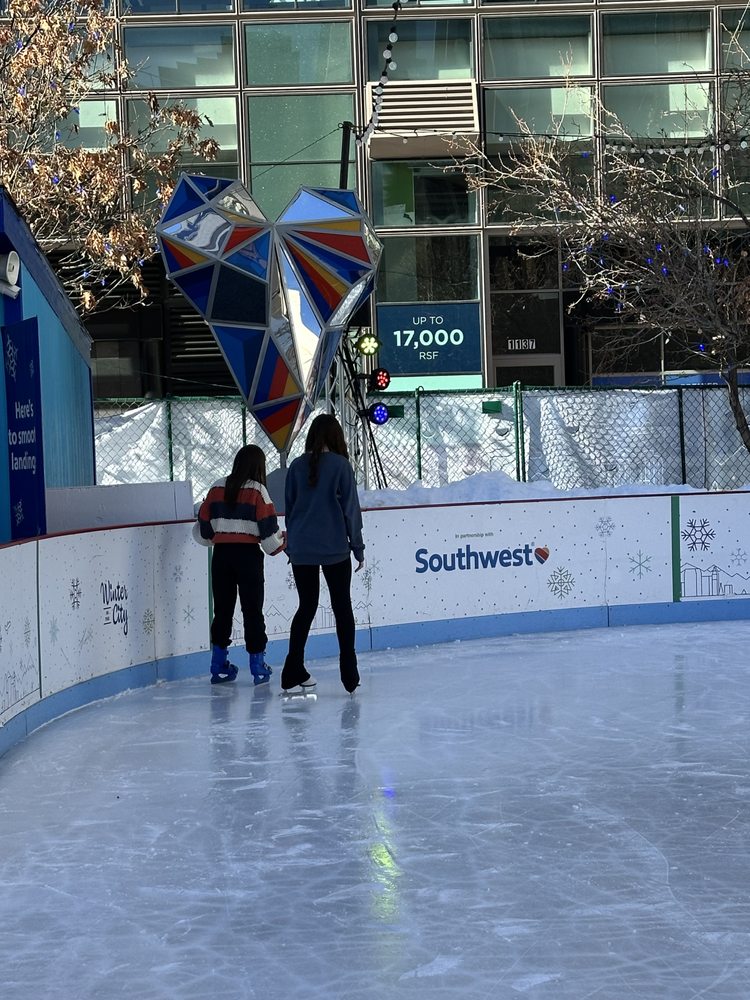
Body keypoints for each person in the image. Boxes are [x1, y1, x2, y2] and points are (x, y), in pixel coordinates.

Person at [281, 414, 365, 695]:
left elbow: (290, 510)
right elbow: (351, 511)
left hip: (302, 548)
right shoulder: (341, 466)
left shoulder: (296, 466)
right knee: (342, 606)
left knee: (306, 606)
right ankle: (349, 672)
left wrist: (293, 546)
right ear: (336, 438)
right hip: (334, 548)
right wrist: (358, 547)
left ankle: (292, 669)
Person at [198, 444, 285, 685]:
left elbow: (204, 528)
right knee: (252, 610)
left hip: (221, 556)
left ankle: (218, 665)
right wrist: (282, 542)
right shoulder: (258, 491)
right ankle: (257, 665)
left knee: (222, 611)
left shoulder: (217, 487)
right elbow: (269, 538)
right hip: (248, 557)